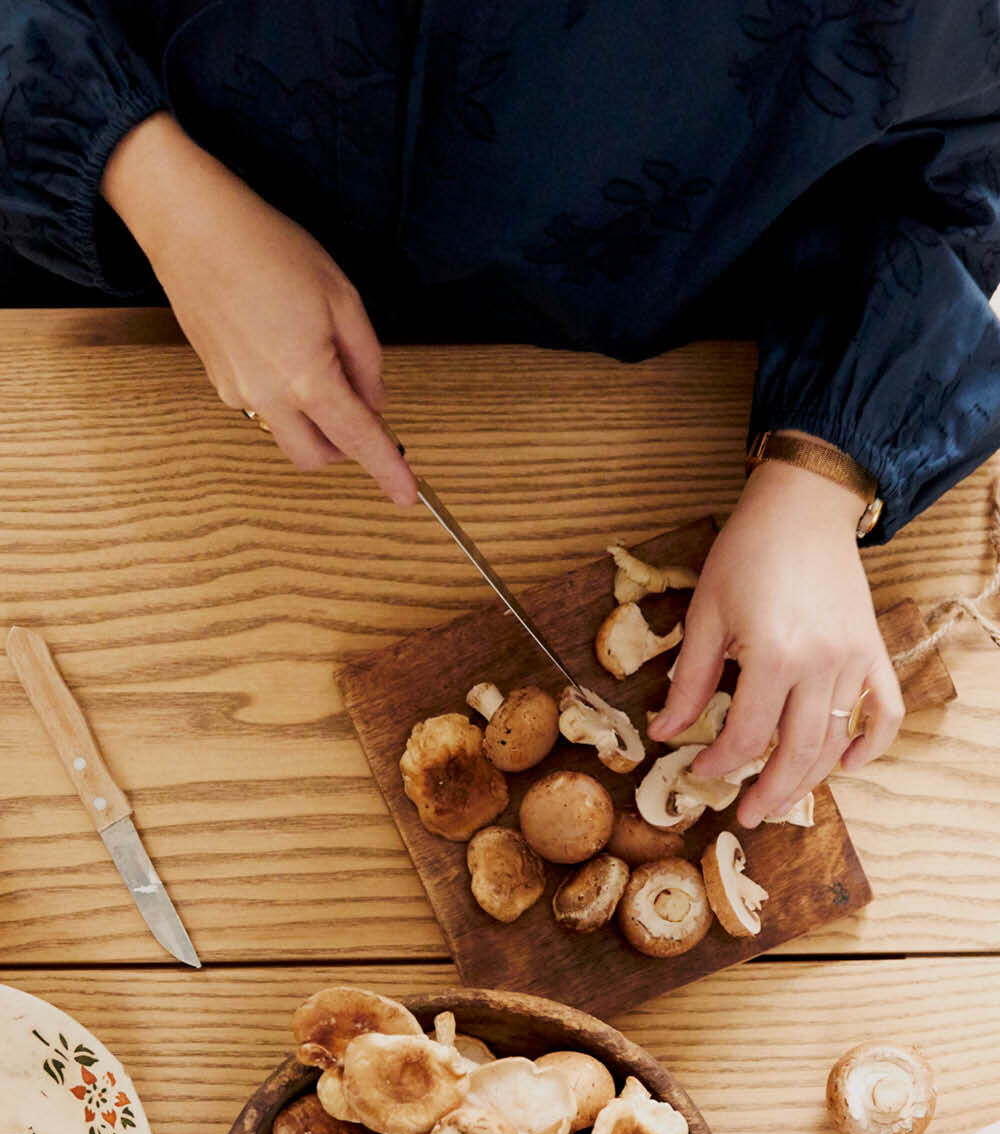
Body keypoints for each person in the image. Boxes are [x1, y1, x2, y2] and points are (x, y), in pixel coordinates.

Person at [3, 2, 999, 826]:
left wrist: (825, 465)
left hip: (679, 350)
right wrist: (146, 177)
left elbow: (966, 159)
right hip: (146, 271)